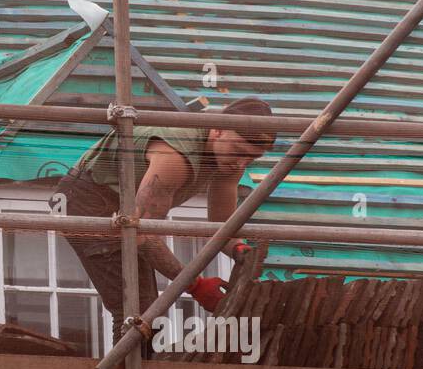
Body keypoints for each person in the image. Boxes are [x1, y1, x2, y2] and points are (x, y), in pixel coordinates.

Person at [53, 97, 276, 337]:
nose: (241, 163)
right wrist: (196, 285)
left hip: (121, 204)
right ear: (218, 130)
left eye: (251, 158)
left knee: (145, 309)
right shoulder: (174, 158)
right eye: (238, 152)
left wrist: (237, 248)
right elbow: (143, 234)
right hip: (87, 198)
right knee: (136, 308)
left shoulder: (228, 158)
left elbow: (221, 223)